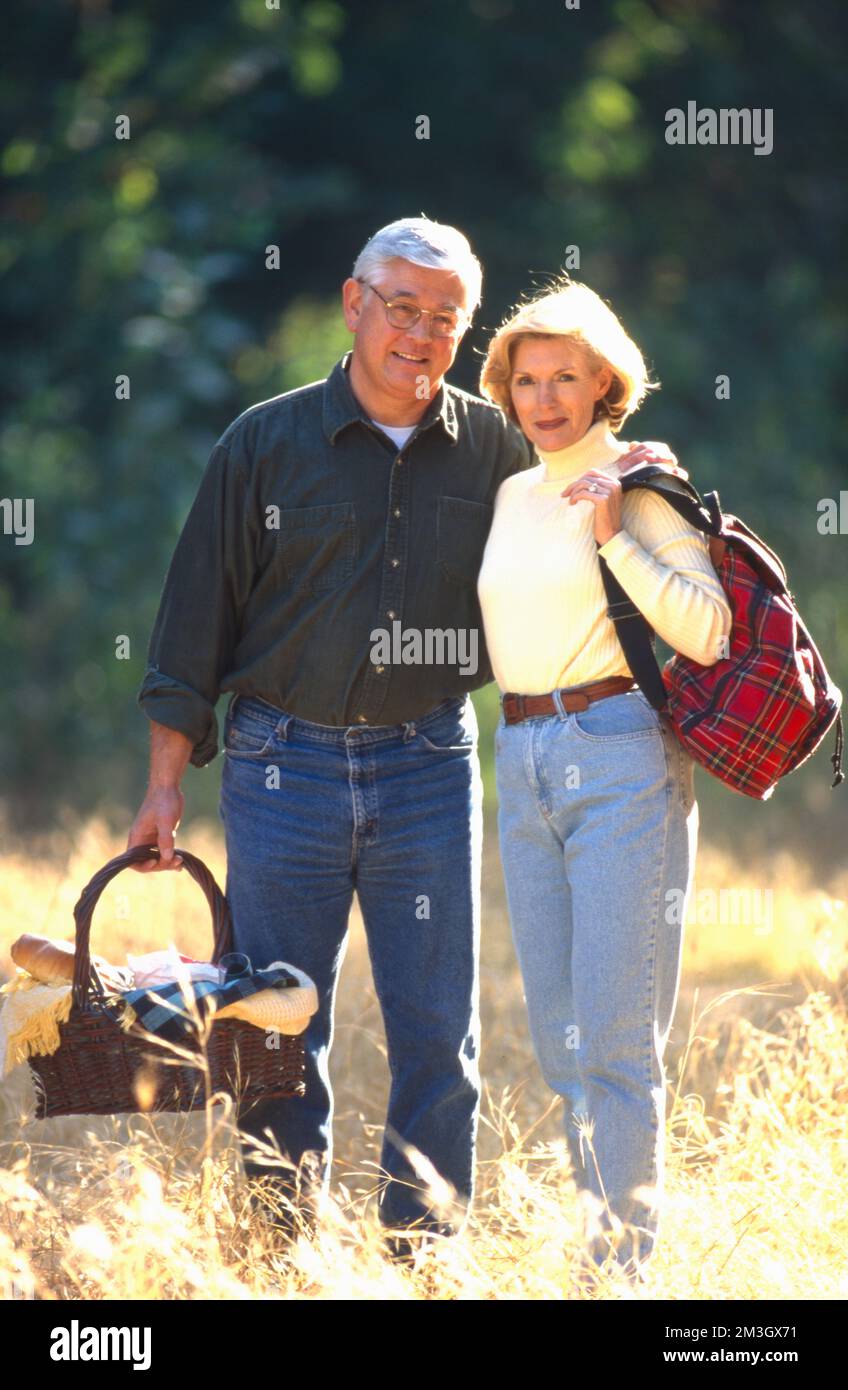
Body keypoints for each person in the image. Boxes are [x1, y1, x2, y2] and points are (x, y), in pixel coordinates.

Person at [127, 220, 679, 1251]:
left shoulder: (498, 448)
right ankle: (279, 1257)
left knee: (438, 1039)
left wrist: (641, 467)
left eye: (444, 319)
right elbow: (191, 625)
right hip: (278, 769)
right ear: (354, 304)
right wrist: (163, 785)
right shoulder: (262, 443)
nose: (420, 335)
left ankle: (421, 1260)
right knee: (277, 1026)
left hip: (426, 764)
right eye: (402, 308)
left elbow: (585, 464)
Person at [477, 279, 732, 1278]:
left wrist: (613, 533)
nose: (543, 398)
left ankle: (620, 1276)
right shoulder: (510, 494)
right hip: (520, 756)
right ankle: (602, 1260)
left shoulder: (640, 480)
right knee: (562, 1042)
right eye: (526, 379)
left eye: (564, 378)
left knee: (616, 1045)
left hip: (619, 752)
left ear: (602, 384)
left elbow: (706, 631)